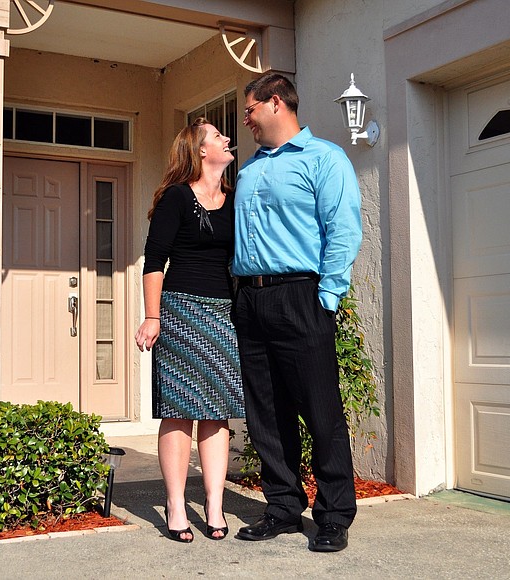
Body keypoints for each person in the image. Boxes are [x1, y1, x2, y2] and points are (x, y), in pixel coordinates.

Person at [231, 73, 362, 552]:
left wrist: (326, 297)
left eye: (249, 109)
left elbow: (342, 229)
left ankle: (333, 514)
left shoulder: (325, 158)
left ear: (275, 103)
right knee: (265, 412)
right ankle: (284, 507)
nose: (245, 118)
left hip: (301, 296)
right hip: (251, 300)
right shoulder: (248, 170)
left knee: (320, 409)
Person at [135, 117, 245, 543]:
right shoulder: (176, 198)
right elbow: (153, 260)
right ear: (201, 150)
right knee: (179, 411)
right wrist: (152, 316)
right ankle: (177, 505)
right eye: (218, 135)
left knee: (216, 413)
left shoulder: (234, 199)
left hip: (222, 313)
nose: (226, 138)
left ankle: (214, 505)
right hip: (179, 311)